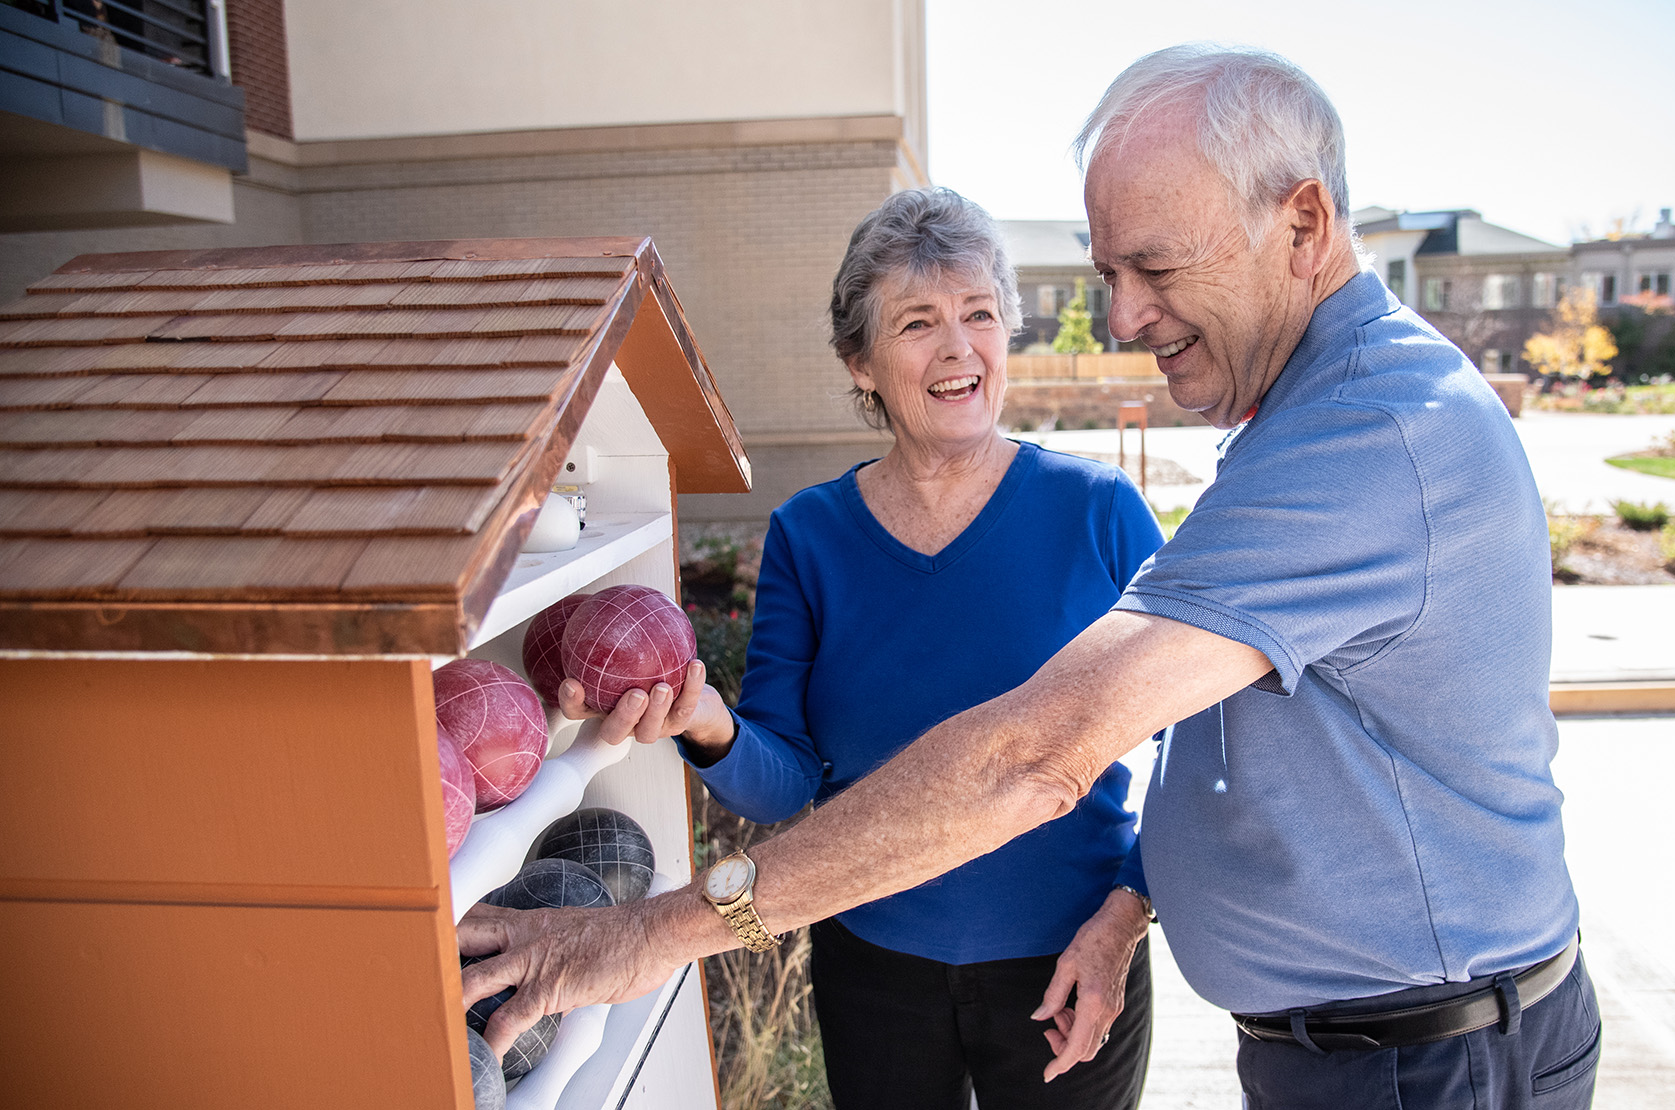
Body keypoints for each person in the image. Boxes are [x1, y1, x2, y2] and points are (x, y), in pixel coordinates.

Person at [464, 44, 1600, 1109]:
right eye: (1109, 273)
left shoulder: (1363, 438)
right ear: (863, 362)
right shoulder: (1309, 419)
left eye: (1155, 266)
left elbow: (1038, 756)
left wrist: (652, 935)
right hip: (1359, 1045)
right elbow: (1200, 744)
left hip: (1419, 1057)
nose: (1122, 317)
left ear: (1302, 222)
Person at [548, 186, 1162, 1108]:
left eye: (979, 314)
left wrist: (1126, 915)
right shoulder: (811, 535)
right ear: (860, 362)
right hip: (874, 967)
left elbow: (1205, 745)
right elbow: (783, 782)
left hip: (1072, 959)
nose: (958, 348)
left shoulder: (1099, 513)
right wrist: (709, 725)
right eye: (917, 323)